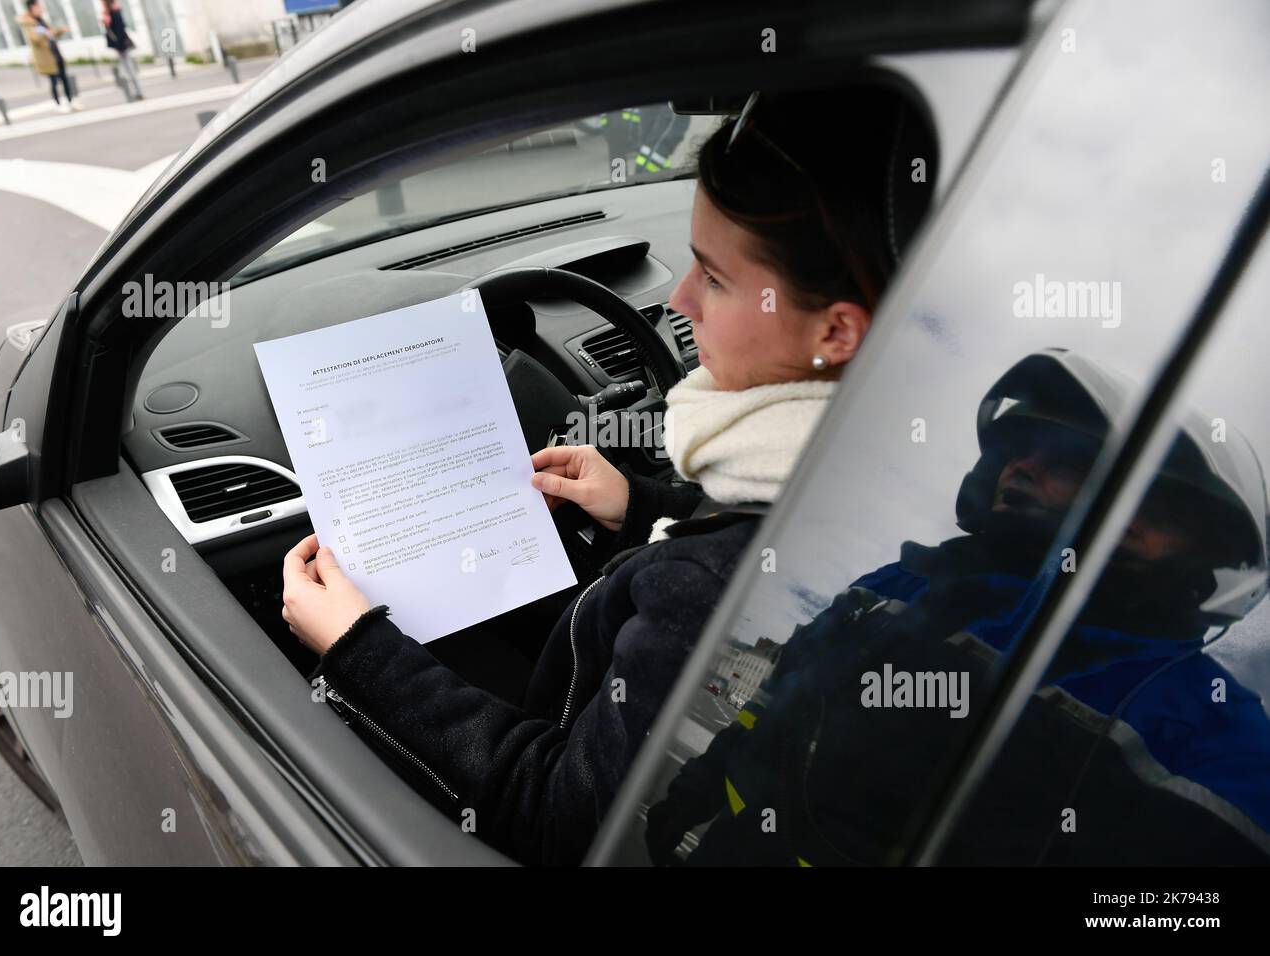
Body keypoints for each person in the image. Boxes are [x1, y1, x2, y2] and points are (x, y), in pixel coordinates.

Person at [280, 85, 927, 865]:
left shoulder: (707, 587)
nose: (680, 301)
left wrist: (356, 650)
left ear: (837, 330)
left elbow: (554, 815)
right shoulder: (910, 477)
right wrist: (645, 506)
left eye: (715, 280)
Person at [644, 349, 1270, 866]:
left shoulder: (1202, 722)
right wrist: (698, 786)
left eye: (1067, 454)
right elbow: (777, 698)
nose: (1024, 464)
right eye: (1021, 442)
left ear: (1178, 537)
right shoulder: (899, 585)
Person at [17, 1, 82, 114]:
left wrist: (60, 31)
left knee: (64, 78)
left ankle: (70, 101)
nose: (41, 9)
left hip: (55, 52)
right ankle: (58, 104)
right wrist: (44, 33)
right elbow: (35, 39)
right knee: (54, 81)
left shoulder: (41, 21)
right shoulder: (29, 23)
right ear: (32, 7)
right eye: (39, 7)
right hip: (46, 57)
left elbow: (50, 33)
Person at [102, 0, 143, 101]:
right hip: (121, 45)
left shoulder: (114, 13)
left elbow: (120, 31)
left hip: (122, 46)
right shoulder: (111, 13)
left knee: (128, 70)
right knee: (127, 70)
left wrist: (119, 47)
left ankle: (138, 92)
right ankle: (136, 92)